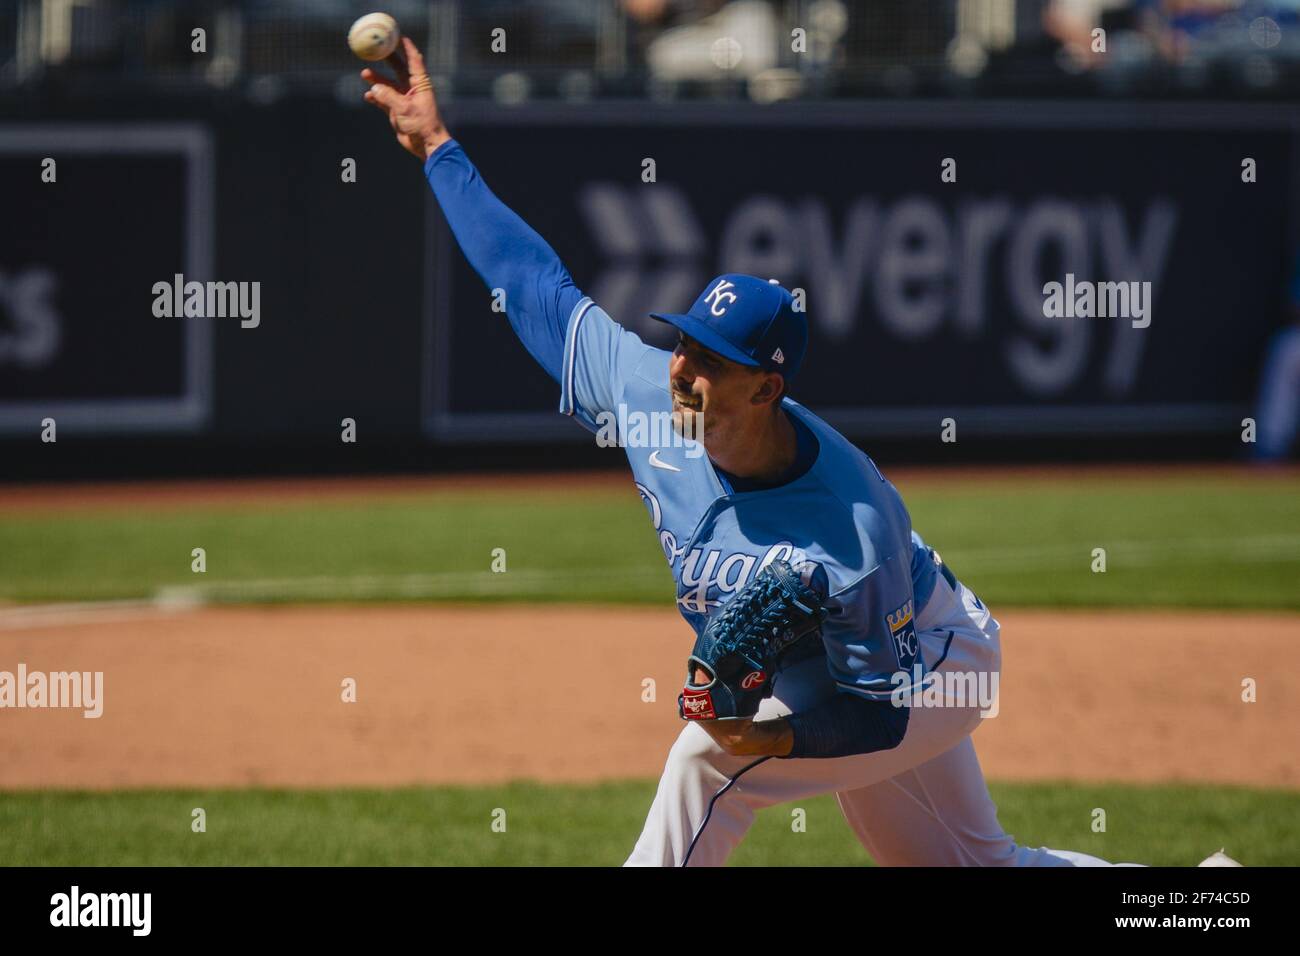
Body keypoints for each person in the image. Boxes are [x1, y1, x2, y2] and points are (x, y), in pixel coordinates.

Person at [361, 39, 1233, 868]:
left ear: (766, 388)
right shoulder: (646, 396)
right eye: (684, 345)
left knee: (707, 762)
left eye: (712, 360)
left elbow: (874, 717)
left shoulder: (850, 527)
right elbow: (532, 286)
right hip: (848, 674)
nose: (683, 370)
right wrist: (437, 143)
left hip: (928, 665)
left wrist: (769, 737)